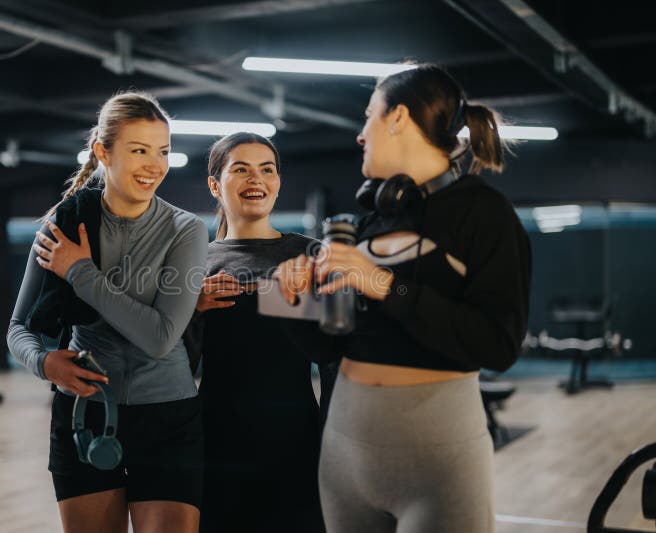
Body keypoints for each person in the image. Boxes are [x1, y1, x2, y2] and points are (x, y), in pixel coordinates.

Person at [276, 64, 532, 533]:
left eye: (368, 116)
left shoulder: (485, 214)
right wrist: (296, 307)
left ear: (397, 118)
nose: (360, 135)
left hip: (437, 460)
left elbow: (498, 344)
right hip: (344, 452)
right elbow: (331, 350)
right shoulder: (374, 219)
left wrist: (383, 285)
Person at [7, 91, 208, 533]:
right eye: (139, 150)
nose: (155, 165)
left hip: (167, 417)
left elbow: (159, 337)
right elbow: (18, 328)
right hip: (85, 413)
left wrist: (80, 270)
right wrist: (44, 362)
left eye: (163, 152)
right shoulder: (63, 224)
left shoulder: (185, 229)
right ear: (102, 152)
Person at [184, 132, 337, 533]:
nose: (257, 179)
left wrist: (334, 434)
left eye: (267, 169)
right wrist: (191, 310)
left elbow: (336, 358)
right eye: (241, 169)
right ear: (215, 185)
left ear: (278, 182)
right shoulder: (195, 262)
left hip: (296, 440)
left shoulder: (312, 255)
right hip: (216, 438)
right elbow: (181, 363)